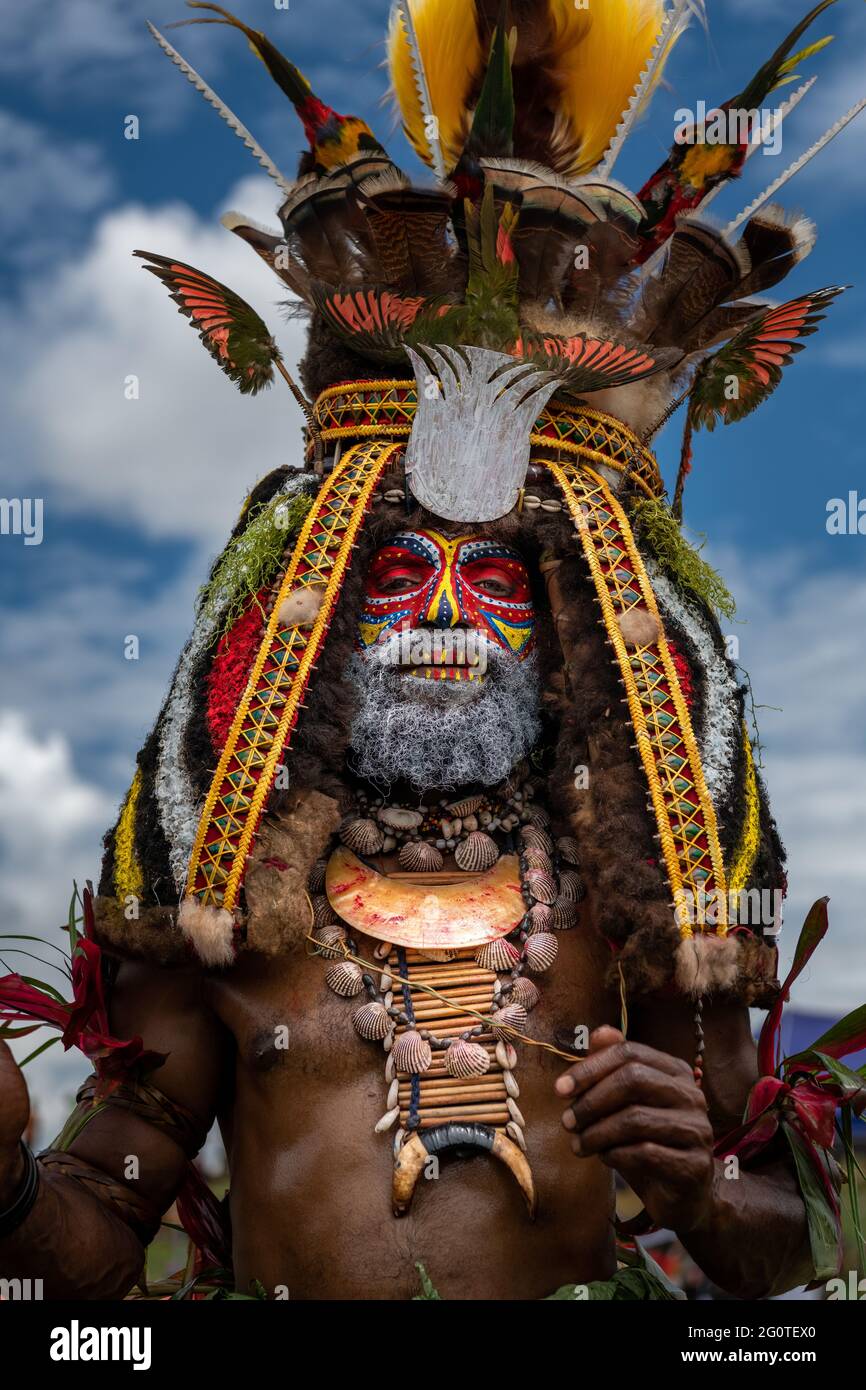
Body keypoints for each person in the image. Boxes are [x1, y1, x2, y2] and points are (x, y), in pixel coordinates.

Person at [0, 0, 854, 1300]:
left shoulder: (641, 909)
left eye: (496, 588)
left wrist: (693, 1185)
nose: (449, 615)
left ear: (572, 621)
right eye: (402, 573)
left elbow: (782, 1242)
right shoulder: (230, 903)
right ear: (324, 598)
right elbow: (86, 1256)